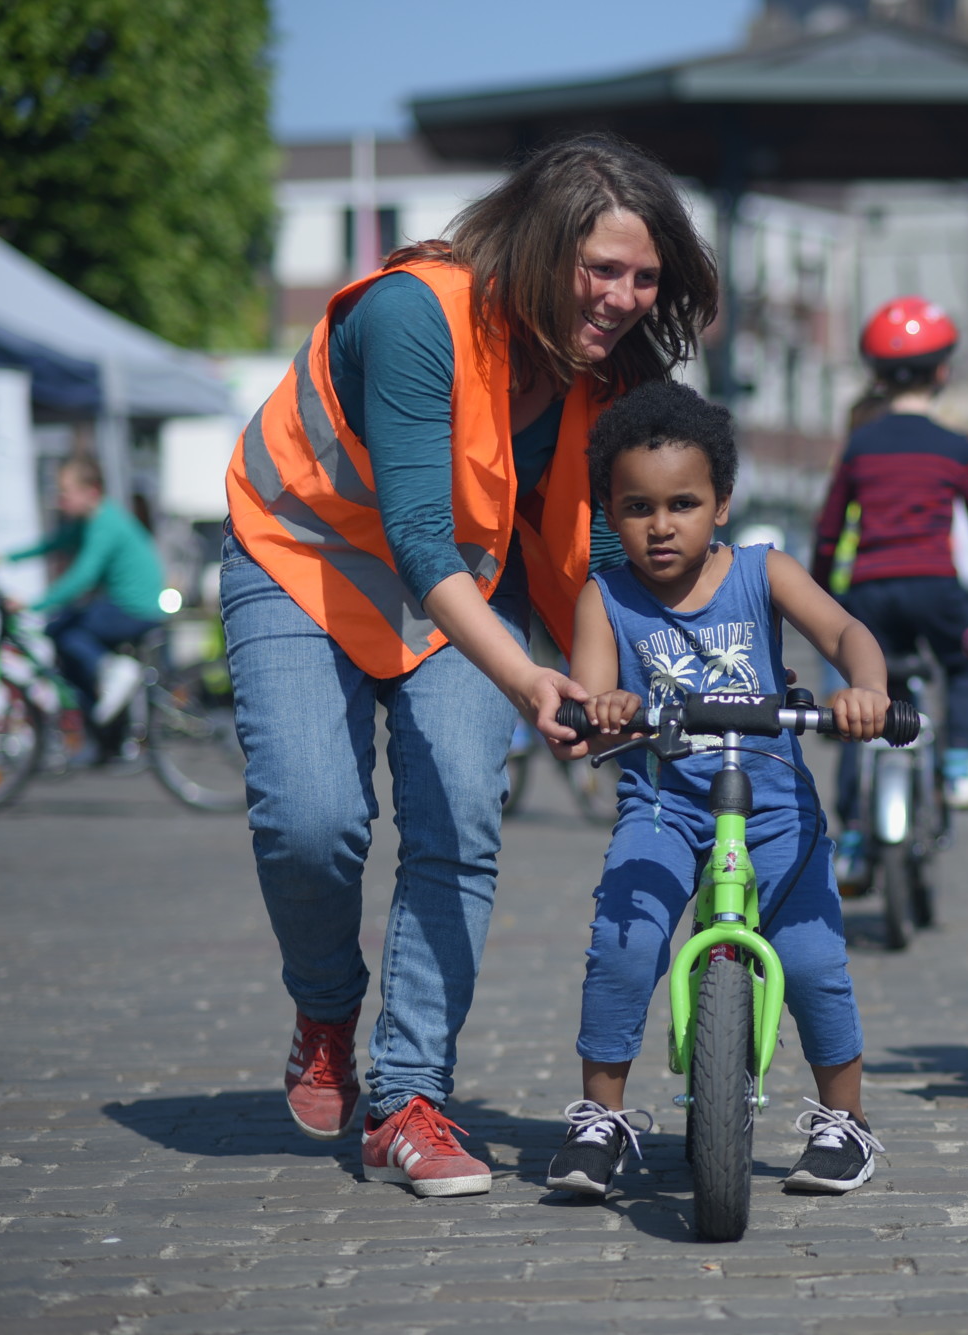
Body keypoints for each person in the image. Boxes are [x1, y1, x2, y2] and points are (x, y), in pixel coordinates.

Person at [222, 133, 718, 1196]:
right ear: (541, 248)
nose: (626, 297)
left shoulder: (613, 368)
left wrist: (699, 653)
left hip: (466, 579)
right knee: (311, 820)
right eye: (603, 271)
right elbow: (412, 532)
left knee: (458, 813)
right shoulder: (415, 313)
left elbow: (642, 535)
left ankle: (406, 1101)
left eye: (646, 277)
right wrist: (531, 679)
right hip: (301, 555)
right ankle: (323, 1006)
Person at [544, 381, 889, 1198]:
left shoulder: (763, 574)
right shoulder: (607, 598)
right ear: (608, 513)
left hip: (773, 806)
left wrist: (863, 686)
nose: (661, 525)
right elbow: (590, 700)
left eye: (683, 503)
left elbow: (844, 632)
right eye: (636, 507)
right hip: (662, 805)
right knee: (624, 944)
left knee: (811, 960)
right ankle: (602, 1119)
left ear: (722, 504)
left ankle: (847, 1121)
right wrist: (608, 704)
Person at [810, 295, 968, 839]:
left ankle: (851, 837)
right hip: (934, 586)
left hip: (870, 592)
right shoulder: (954, 445)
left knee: (864, 703)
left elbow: (829, 529)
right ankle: (960, 764)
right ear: (943, 369)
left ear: (875, 374)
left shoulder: (860, 444)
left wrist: (822, 591)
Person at [0, 455, 165, 749]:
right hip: (121, 604)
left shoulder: (104, 523)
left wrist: (34, 604)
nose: (59, 499)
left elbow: (82, 577)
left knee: (63, 631)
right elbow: (52, 544)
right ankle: (108, 741)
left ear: (92, 492)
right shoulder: (87, 521)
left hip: (137, 607)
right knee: (69, 659)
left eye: (65, 491)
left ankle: (112, 669)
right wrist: (5, 559)